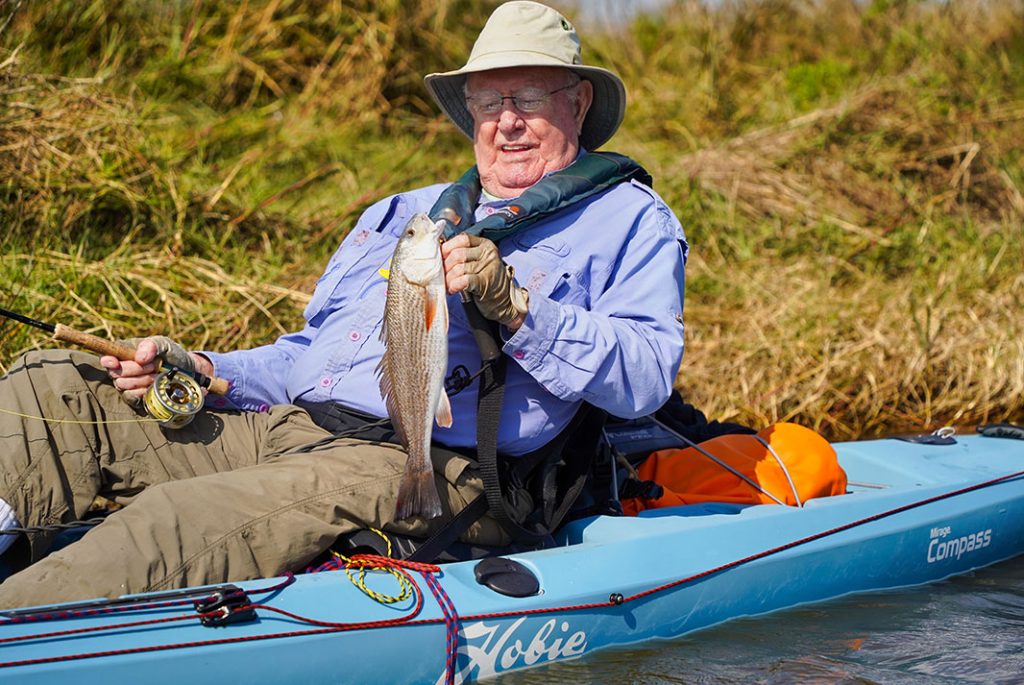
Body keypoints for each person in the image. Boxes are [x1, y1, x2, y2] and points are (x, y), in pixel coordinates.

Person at [0, 0, 686, 608]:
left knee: (177, 516)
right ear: (468, 112)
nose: (506, 122)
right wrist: (200, 364)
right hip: (287, 425)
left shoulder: (631, 221)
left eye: (529, 99)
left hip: (418, 466)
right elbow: (307, 352)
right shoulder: (405, 212)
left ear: (578, 104)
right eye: (487, 101)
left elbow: (647, 377)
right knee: (54, 382)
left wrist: (518, 306)